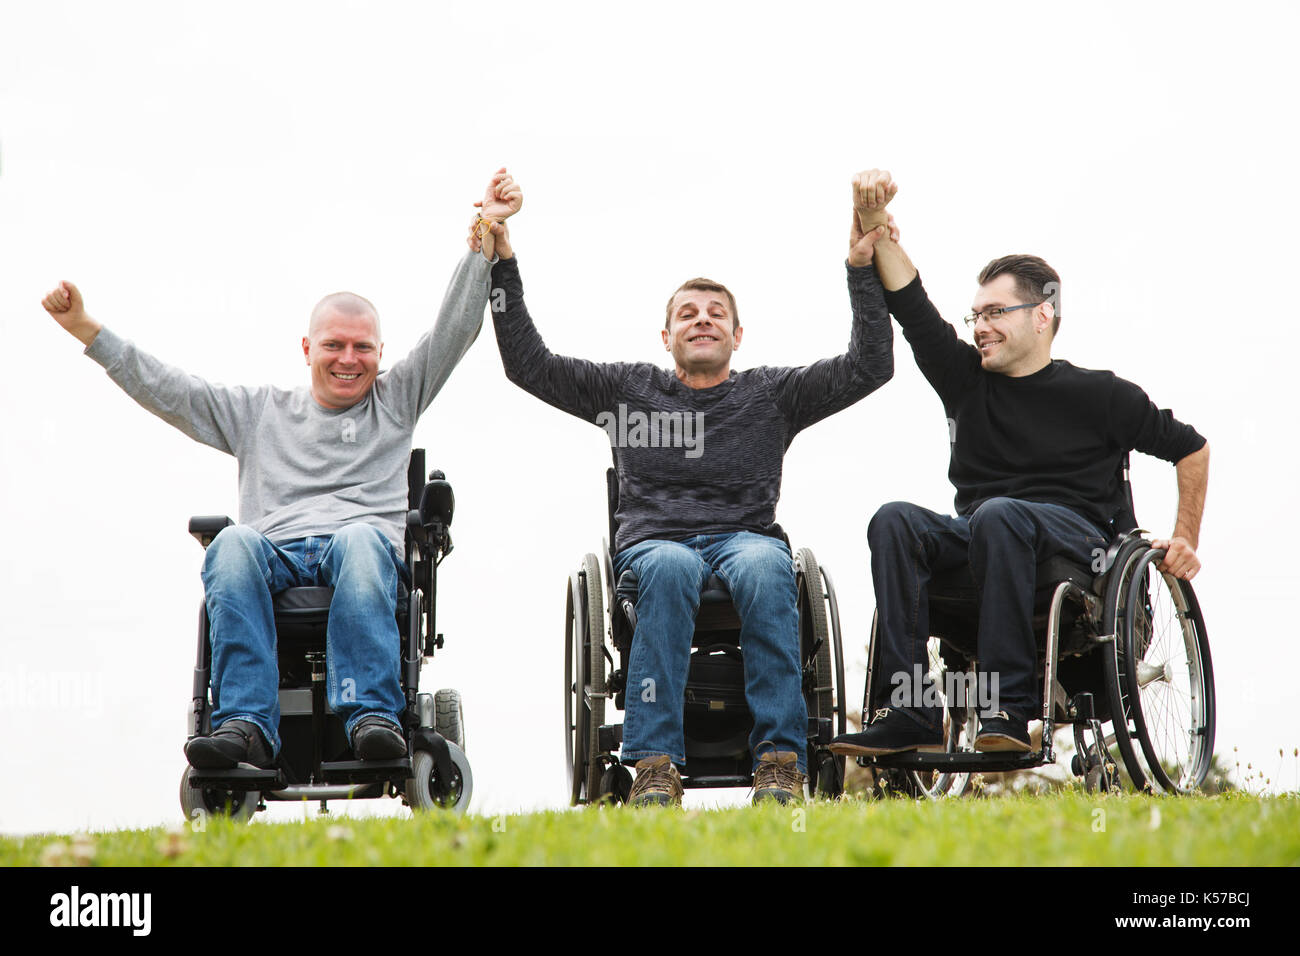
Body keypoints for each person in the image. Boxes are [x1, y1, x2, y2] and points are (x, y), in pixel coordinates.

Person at [40, 169, 522, 770]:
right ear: (307, 349)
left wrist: (486, 233)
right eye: (335, 345)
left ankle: (370, 714)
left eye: (363, 347)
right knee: (232, 543)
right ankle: (245, 725)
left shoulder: (395, 401)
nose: (350, 359)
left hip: (359, 551)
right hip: (276, 555)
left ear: (380, 352)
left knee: (363, 539)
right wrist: (87, 329)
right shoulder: (258, 412)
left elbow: (453, 330)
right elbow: (170, 390)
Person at [474, 178, 895, 805]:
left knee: (763, 565)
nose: (702, 321)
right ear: (665, 335)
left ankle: (780, 760)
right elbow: (527, 365)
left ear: (738, 334)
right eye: (687, 315)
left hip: (745, 538)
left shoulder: (771, 395)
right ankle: (654, 765)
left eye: (715, 314)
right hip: (655, 544)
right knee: (669, 569)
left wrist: (862, 269)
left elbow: (871, 366)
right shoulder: (627, 391)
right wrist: (502, 261)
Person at [830, 169, 1209, 757]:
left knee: (1000, 515)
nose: (979, 326)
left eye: (995, 313)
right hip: (985, 543)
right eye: (975, 315)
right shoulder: (965, 382)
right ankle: (906, 710)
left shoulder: (1103, 395)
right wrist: (875, 224)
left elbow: (1192, 447)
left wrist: (1185, 538)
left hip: (1078, 551)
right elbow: (912, 304)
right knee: (894, 519)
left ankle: (1007, 706)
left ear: (1043, 314)